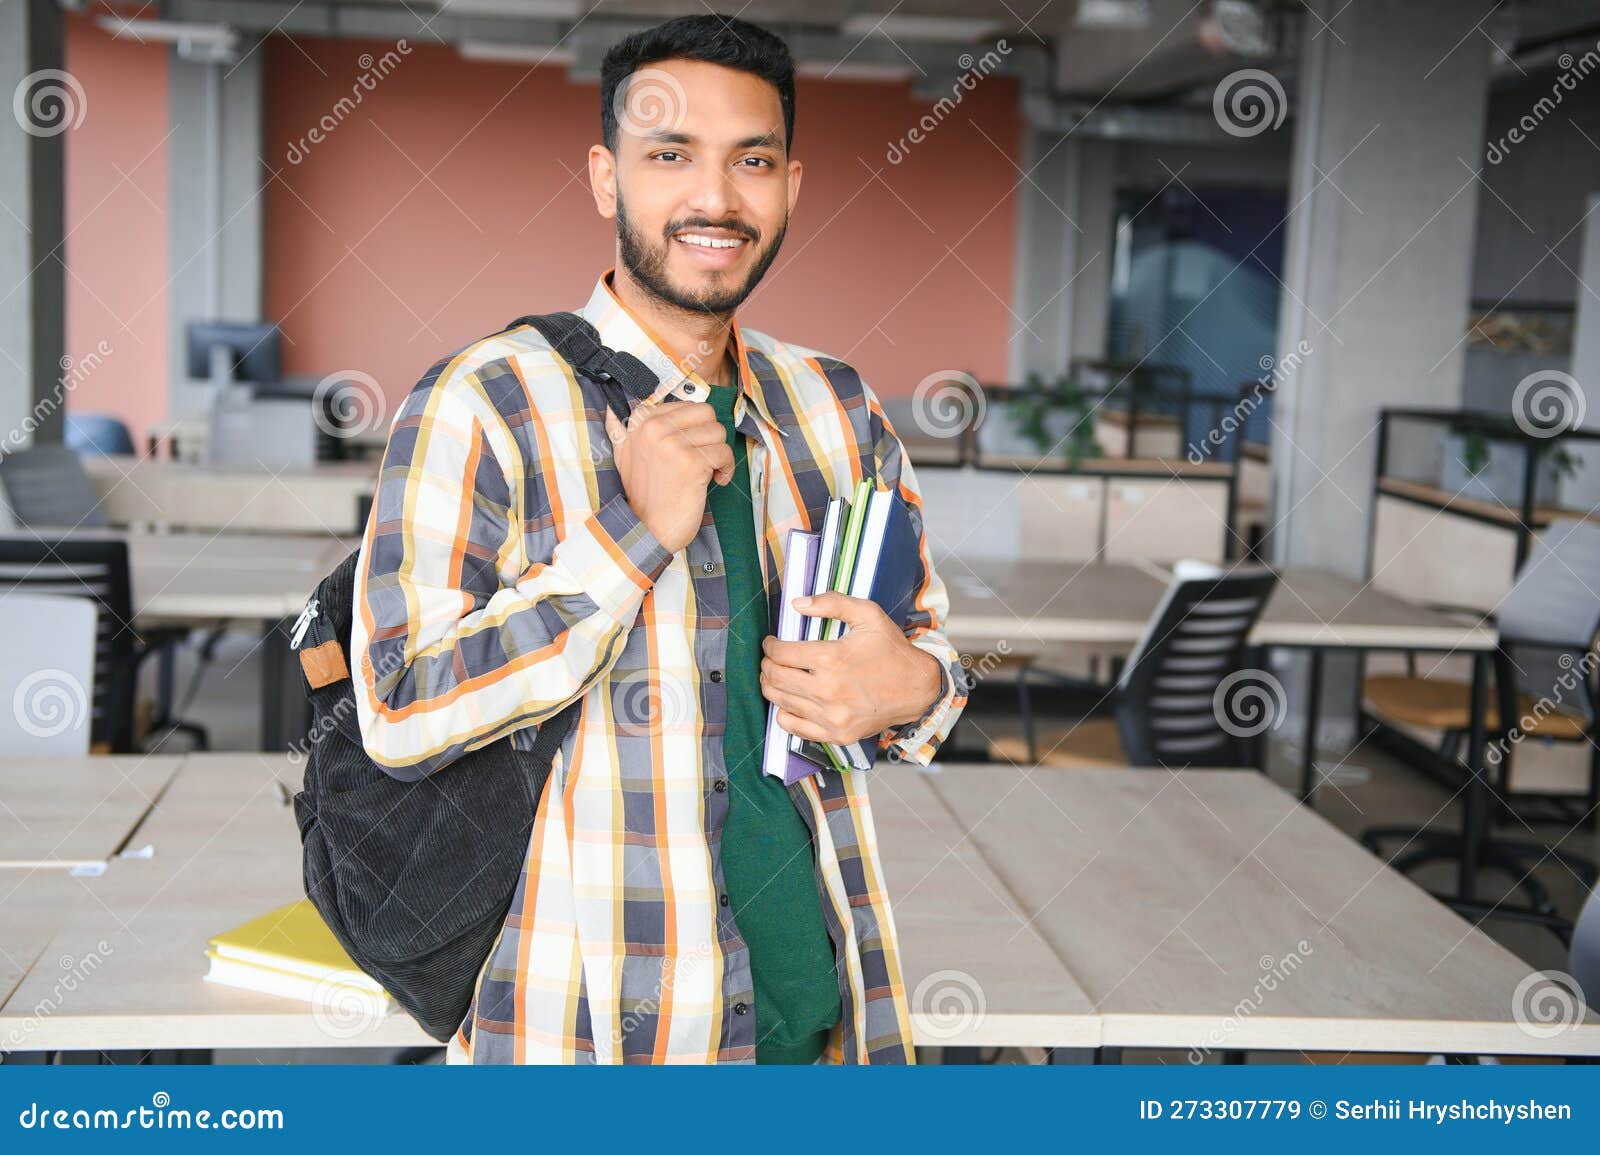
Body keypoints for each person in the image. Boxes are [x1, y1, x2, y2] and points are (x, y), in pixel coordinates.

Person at [351, 12, 966, 1065]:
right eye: (670, 156)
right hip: (587, 1043)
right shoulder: (484, 401)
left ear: (791, 186)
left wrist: (909, 688)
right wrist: (629, 536)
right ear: (606, 178)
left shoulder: (835, 407)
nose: (715, 199)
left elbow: (926, 657)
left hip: (822, 1022)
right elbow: (399, 706)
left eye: (752, 162)